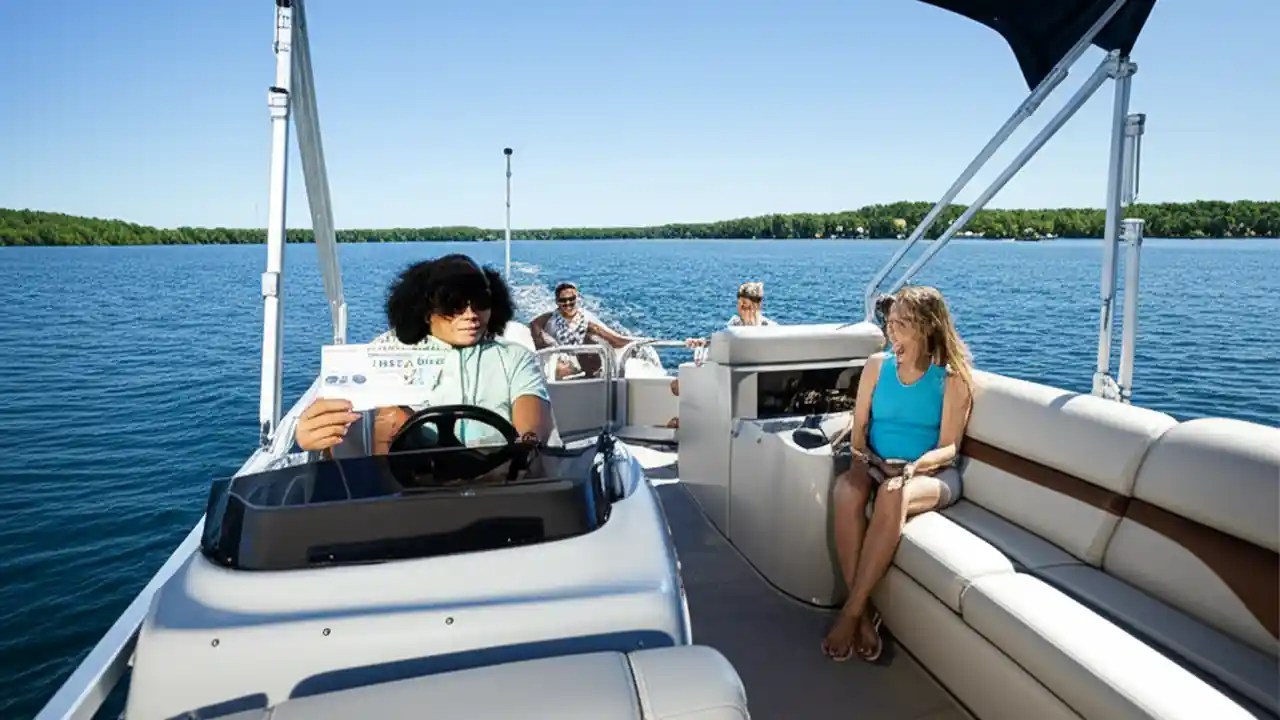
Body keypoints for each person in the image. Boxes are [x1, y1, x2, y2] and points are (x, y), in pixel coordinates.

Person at [821, 285, 974, 662]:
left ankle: (852, 613)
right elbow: (858, 428)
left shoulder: (952, 378)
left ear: (926, 327)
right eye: (890, 323)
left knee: (893, 491)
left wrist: (911, 468)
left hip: (932, 474)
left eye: (902, 324)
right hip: (875, 463)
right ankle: (864, 612)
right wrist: (866, 459)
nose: (892, 331)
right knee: (846, 490)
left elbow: (950, 448)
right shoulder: (877, 366)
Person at [294, 254, 553, 457]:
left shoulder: (515, 358)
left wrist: (529, 442)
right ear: (426, 310)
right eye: (454, 303)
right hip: (409, 493)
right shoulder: (385, 356)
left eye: (480, 301)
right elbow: (345, 429)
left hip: (501, 482)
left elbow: (532, 419)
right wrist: (316, 436)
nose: (470, 314)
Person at [529, 282, 639, 379]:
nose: (568, 303)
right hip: (561, 360)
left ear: (577, 299)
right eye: (563, 300)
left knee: (590, 338)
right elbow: (533, 325)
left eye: (571, 299)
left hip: (583, 361)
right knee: (560, 370)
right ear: (557, 302)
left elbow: (613, 340)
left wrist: (635, 344)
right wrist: (543, 345)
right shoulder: (549, 318)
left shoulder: (586, 320)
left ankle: (592, 378)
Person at [684, 281, 774, 349]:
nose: (742, 309)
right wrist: (701, 342)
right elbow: (719, 341)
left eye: (746, 305)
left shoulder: (771, 329)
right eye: (740, 304)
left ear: (757, 305)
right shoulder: (734, 325)